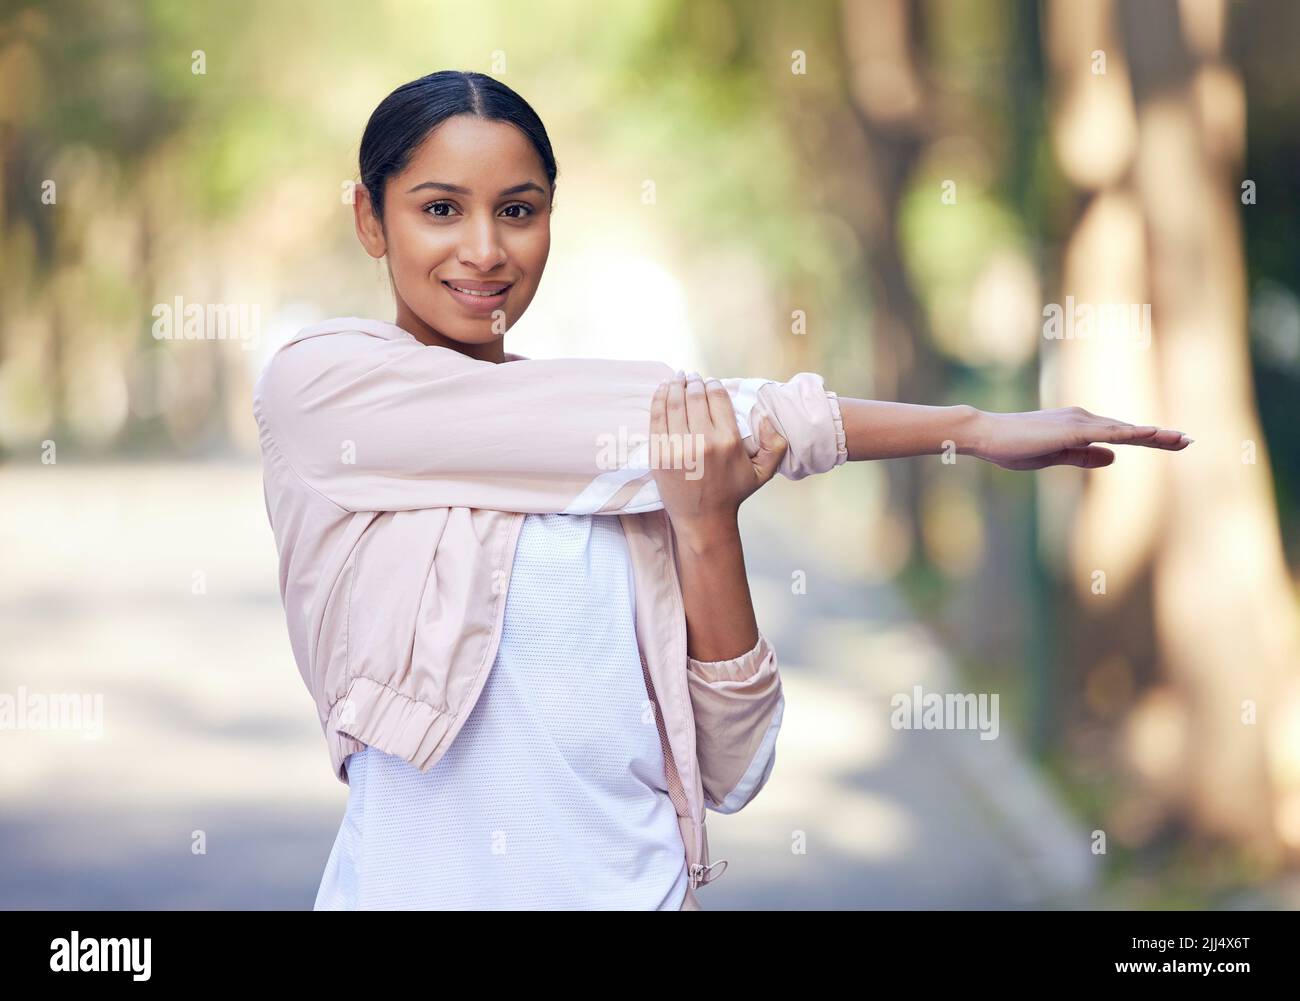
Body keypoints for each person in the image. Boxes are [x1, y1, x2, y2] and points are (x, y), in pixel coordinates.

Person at [252, 70, 1189, 911]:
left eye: (520, 209)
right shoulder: (323, 392)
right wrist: (968, 428)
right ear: (371, 219)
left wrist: (706, 527)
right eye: (441, 209)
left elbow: (731, 767)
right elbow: (680, 416)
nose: (487, 249)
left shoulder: (644, 465)